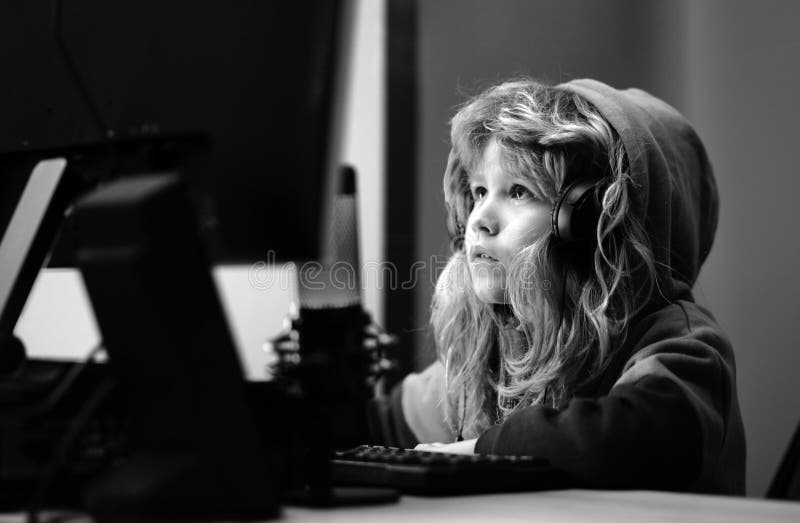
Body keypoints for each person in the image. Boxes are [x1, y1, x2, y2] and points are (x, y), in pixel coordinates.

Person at [373, 78, 745, 495]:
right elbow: (382, 421)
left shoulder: (677, 341)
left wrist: (484, 450)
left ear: (590, 222)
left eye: (518, 191)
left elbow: (645, 435)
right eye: (479, 191)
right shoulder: (497, 346)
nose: (479, 220)